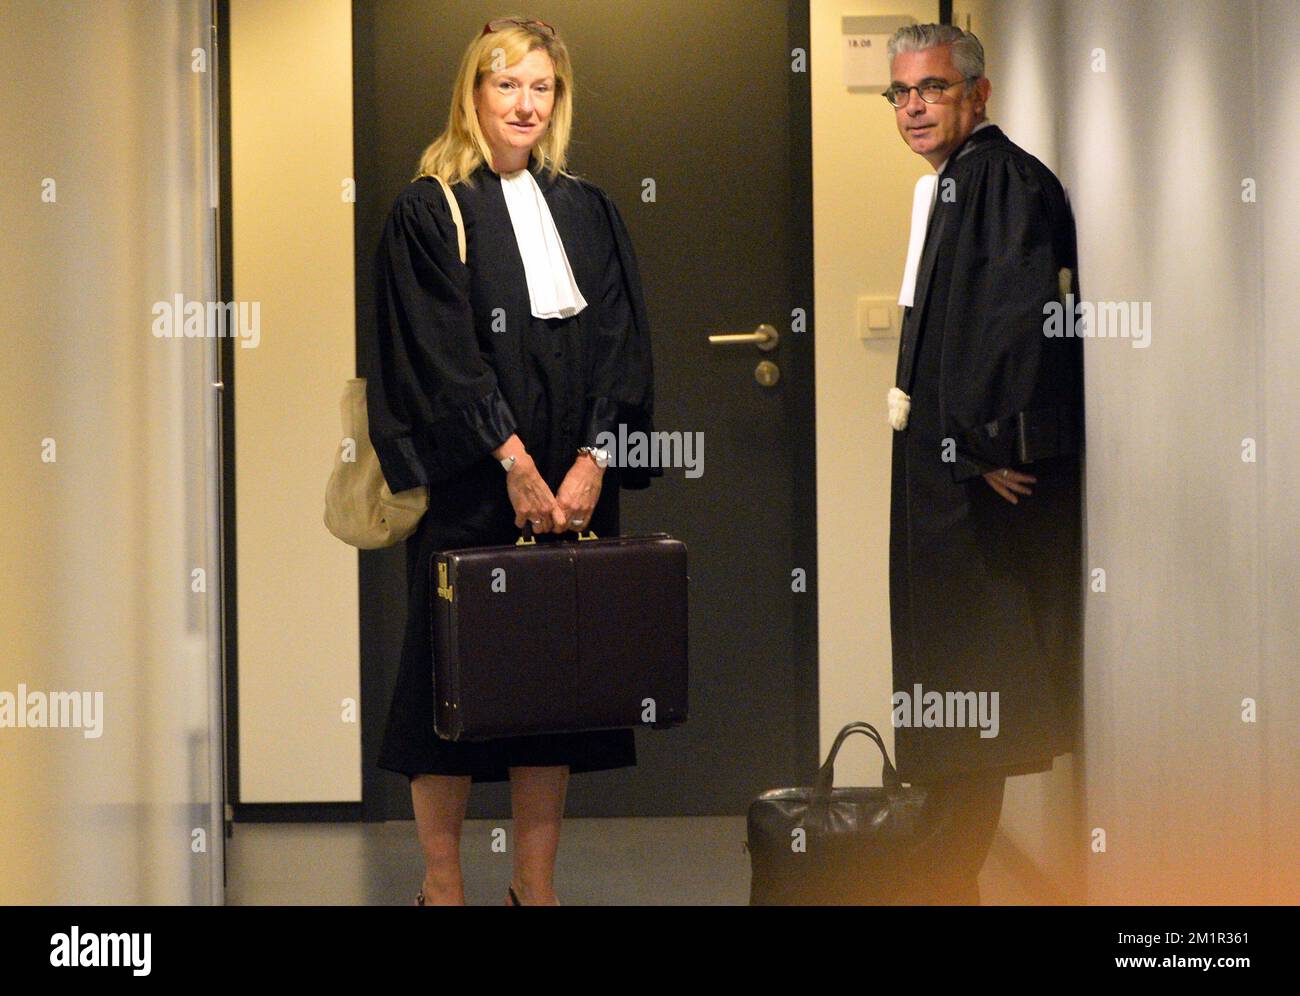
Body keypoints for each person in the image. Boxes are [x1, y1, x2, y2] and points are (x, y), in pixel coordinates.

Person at [366, 16, 661, 906]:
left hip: (574, 488)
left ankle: (536, 888)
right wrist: (511, 460)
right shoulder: (429, 208)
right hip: (473, 484)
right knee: (445, 689)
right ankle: (444, 884)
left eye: (542, 87)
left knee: (550, 692)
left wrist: (592, 461)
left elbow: (620, 342)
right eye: (507, 85)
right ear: (473, 93)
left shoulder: (586, 208)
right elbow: (437, 354)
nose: (525, 103)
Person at [882, 24, 1084, 904]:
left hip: (971, 499)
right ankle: (944, 886)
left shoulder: (998, 182)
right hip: (947, 483)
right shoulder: (957, 183)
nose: (915, 106)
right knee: (952, 704)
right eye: (901, 93)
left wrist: (991, 442)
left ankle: (945, 886)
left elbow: (1014, 316)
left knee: (970, 704)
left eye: (931, 88)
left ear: (978, 93)